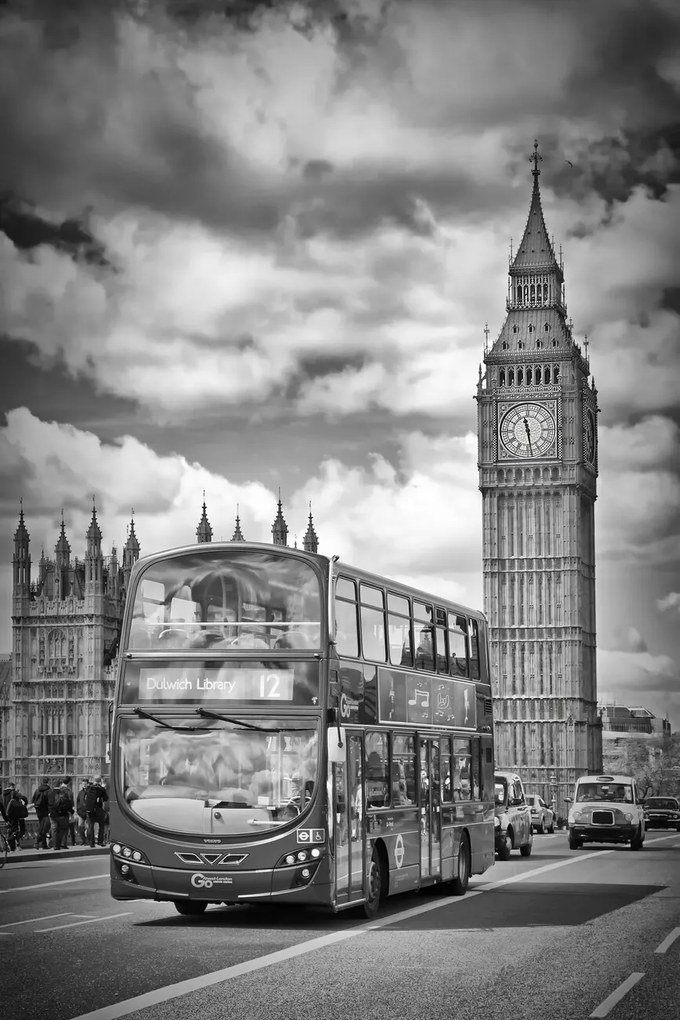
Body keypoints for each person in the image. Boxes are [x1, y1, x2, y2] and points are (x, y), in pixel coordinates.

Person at [48, 780, 74, 850]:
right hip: (63, 814)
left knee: (54, 830)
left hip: (53, 815)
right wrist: (71, 811)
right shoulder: (63, 793)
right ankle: (62, 844)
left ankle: (55, 845)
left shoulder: (50, 793)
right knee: (64, 829)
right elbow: (68, 804)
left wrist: (49, 811)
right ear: (60, 785)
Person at [85, 776, 108, 847]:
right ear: (100, 781)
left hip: (90, 811)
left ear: (93, 780)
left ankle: (91, 843)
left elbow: (85, 798)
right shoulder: (101, 789)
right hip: (98, 810)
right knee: (101, 825)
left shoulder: (88, 788)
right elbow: (105, 798)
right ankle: (100, 841)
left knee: (91, 827)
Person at [31, 776, 52, 849]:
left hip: (38, 811)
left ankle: (44, 845)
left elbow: (33, 800)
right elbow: (50, 802)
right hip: (46, 811)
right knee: (45, 828)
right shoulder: (49, 791)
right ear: (48, 782)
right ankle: (37, 841)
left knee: (42, 826)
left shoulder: (37, 790)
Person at [76, 780, 90, 845]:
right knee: (80, 826)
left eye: (85, 784)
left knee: (88, 827)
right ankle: (83, 840)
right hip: (81, 812)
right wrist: (78, 809)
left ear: (88, 784)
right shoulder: (80, 792)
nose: (84, 785)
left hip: (88, 812)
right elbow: (78, 801)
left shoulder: (90, 791)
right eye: (83, 784)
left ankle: (88, 840)